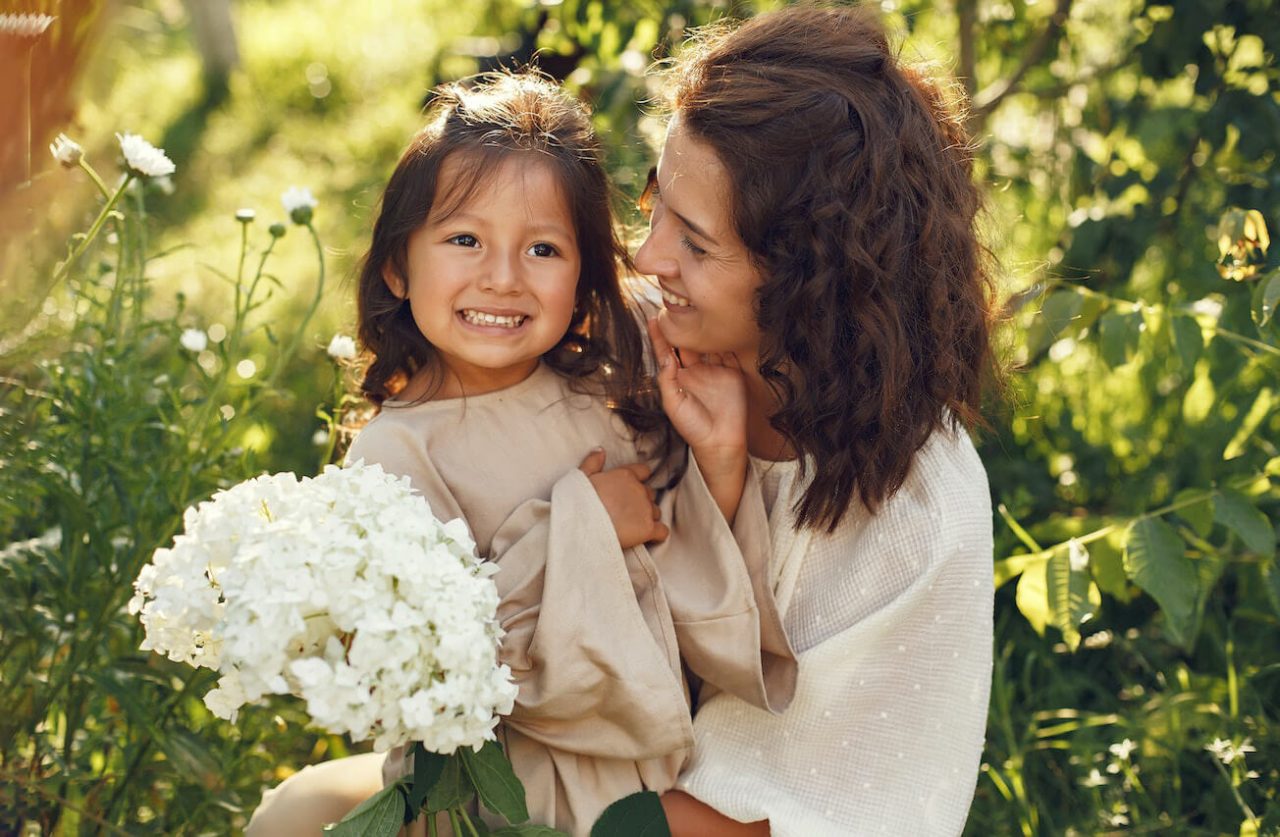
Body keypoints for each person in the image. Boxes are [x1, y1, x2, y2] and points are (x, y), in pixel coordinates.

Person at [244, 71, 794, 837]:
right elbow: (437, 669)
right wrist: (580, 527)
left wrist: (722, 462)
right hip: (508, 800)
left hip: (652, 773)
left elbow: (689, 610)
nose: (502, 278)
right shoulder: (394, 456)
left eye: (542, 248)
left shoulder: (600, 392)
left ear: (583, 277)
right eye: (465, 239)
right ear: (399, 265)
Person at [635, 6, 997, 835]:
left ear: (806, 274)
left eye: (694, 243)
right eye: (656, 205)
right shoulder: (644, 352)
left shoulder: (912, 507)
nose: (650, 258)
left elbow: (786, 812)